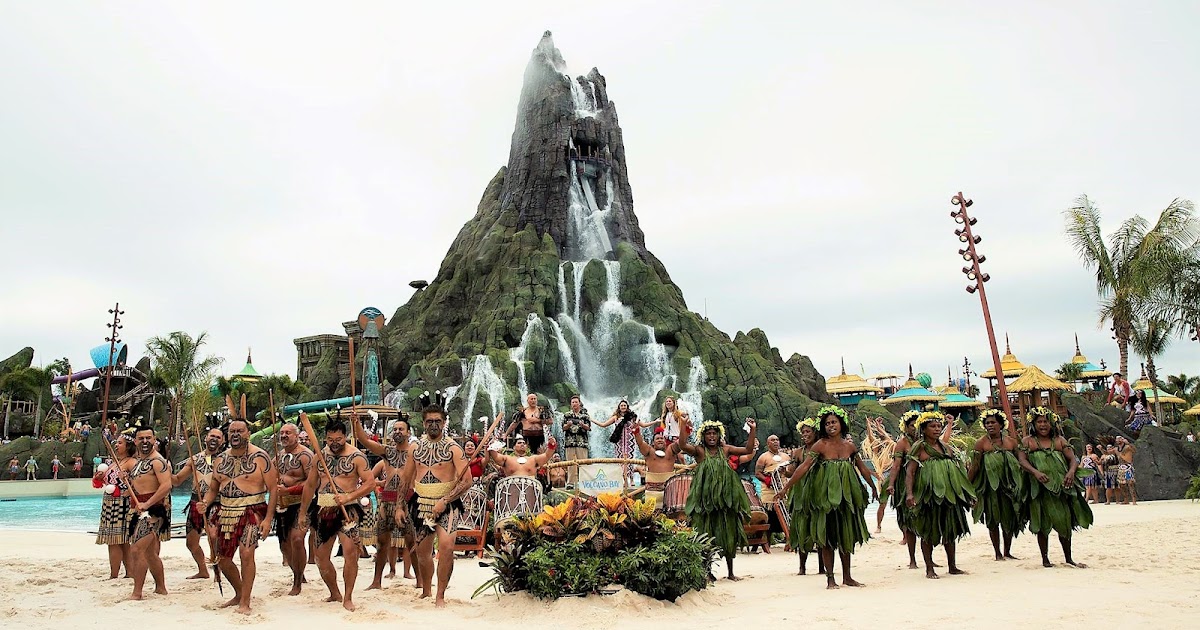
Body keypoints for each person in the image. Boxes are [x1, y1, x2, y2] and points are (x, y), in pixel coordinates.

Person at [782, 407, 876, 588]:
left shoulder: (849, 446)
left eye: (834, 422)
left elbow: (861, 468)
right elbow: (804, 467)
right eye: (827, 423)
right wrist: (787, 487)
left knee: (845, 536)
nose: (831, 425)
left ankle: (847, 577)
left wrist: (872, 486)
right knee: (827, 537)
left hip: (846, 497)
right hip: (824, 498)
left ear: (841, 424)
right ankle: (831, 578)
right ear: (822, 427)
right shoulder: (820, 445)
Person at [198, 418, 276, 614]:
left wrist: (268, 519)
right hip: (225, 511)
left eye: (240, 431)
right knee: (222, 559)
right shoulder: (221, 459)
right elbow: (213, 488)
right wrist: (205, 503)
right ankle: (239, 593)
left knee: (247, 554)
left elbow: (273, 489)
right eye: (232, 431)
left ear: (248, 433)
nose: (235, 435)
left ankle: (246, 602)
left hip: (253, 510)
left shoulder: (260, 457)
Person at [398, 405, 473, 607]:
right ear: (423, 423)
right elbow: (405, 480)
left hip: (448, 504)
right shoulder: (415, 448)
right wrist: (399, 507)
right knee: (422, 553)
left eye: (437, 421)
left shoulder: (453, 449)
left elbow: (467, 481)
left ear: (444, 423)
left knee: (447, 548)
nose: (433, 425)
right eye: (429, 421)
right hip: (421, 504)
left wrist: (445, 500)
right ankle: (426, 590)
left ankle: (440, 595)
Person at [299, 418, 373, 611]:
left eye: (338, 439)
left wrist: (349, 496)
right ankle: (334, 592)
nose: (334, 443)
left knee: (350, 553)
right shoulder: (319, 457)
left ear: (345, 437)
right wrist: (302, 512)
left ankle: (348, 597)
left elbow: (370, 484)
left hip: (348, 510)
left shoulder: (357, 457)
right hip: (323, 509)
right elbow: (309, 486)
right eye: (330, 439)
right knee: (320, 558)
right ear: (325, 438)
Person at [676, 417, 757, 581]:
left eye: (714, 433)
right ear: (703, 436)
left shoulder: (726, 450)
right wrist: (683, 426)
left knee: (728, 533)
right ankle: (707, 572)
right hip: (705, 503)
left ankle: (731, 572)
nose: (711, 436)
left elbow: (748, 450)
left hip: (725, 501)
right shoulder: (699, 451)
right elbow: (683, 445)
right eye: (708, 434)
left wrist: (752, 430)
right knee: (706, 533)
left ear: (719, 436)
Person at [1016, 407, 1092, 568]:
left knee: (1064, 521)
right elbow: (1022, 460)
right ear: (1033, 424)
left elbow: (1073, 459)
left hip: (1062, 488)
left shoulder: (1060, 441)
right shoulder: (1028, 441)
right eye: (1039, 422)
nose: (1043, 425)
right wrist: (1035, 472)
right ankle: (1045, 558)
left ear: (1052, 423)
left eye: (1046, 421)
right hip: (1040, 489)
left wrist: (1071, 473)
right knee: (1042, 523)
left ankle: (1068, 558)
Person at [905, 411, 974, 580]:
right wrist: (909, 494)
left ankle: (952, 566)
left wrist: (966, 493)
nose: (937, 429)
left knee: (949, 529)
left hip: (949, 495)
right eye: (932, 426)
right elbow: (910, 471)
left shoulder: (945, 447)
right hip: (928, 495)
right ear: (923, 428)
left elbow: (957, 471)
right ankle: (929, 568)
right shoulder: (919, 447)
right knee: (928, 530)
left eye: (938, 426)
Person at [352, 415, 416, 591]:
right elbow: (364, 440)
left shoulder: (415, 452)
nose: (397, 432)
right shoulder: (387, 452)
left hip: (407, 501)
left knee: (411, 542)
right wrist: (356, 423)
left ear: (408, 432)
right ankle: (376, 581)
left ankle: (421, 581)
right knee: (381, 543)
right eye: (394, 429)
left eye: (400, 429)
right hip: (386, 500)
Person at [966, 409, 1026, 561]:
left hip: (1009, 487)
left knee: (1009, 518)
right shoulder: (981, 443)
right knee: (993, 520)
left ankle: (1007, 551)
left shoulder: (1011, 442)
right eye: (987, 423)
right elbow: (975, 466)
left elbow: (1021, 461)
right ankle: (997, 552)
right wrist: (967, 487)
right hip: (989, 488)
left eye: (993, 422)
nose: (990, 425)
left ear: (1001, 424)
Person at [171, 426, 226, 580]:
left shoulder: (225, 459)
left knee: (213, 536)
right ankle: (203, 570)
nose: (214, 439)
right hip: (196, 501)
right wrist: (165, 470)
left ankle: (218, 571)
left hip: (217, 502)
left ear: (222, 441)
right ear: (206, 438)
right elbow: (177, 480)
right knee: (191, 542)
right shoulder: (195, 459)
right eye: (211, 436)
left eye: (218, 437)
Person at [126, 425, 172, 600]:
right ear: (136, 441)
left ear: (154, 439)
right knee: (149, 553)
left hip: (154, 511)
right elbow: (139, 485)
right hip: (140, 509)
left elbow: (166, 485)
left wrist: (147, 504)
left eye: (148, 438)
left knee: (137, 549)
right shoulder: (139, 462)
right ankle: (161, 588)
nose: (145, 441)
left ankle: (137, 592)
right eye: (141, 438)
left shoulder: (157, 461)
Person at [271, 422, 314, 595]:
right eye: (282, 433)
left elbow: (313, 483)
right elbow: (267, 476)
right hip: (282, 505)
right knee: (284, 545)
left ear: (296, 436)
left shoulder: (306, 455)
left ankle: (297, 582)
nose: (284, 436)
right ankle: (297, 572)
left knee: (297, 539)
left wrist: (289, 489)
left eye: (288, 433)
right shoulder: (278, 455)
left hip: (302, 504)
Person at [783, 417, 822, 575]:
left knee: (819, 529)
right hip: (801, 494)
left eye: (808, 431)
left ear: (815, 432)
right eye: (803, 432)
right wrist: (784, 472)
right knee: (802, 529)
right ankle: (802, 567)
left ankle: (822, 567)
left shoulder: (822, 448)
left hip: (818, 491)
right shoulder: (798, 452)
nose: (805, 434)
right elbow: (792, 471)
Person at [490, 433, 557, 521]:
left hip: (531, 497)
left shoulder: (533, 459)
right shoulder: (507, 459)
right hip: (510, 498)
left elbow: (547, 455)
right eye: (519, 443)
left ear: (527, 447)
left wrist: (551, 444)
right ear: (514, 447)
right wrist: (492, 444)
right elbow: (495, 456)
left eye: (524, 443)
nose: (522, 444)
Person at [95, 435, 134, 579]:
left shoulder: (131, 462)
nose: (116, 445)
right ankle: (127, 572)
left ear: (128, 446)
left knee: (117, 539)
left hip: (121, 503)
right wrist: (100, 477)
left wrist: (128, 489)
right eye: (116, 443)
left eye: (120, 443)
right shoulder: (113, 463)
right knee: (119, 539)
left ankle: (115, 575)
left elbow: (140, 482)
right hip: (110, 501)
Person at [886, 410, 921, 568]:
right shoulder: (902, 443)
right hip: (904, 484)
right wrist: (891, 484)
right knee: (909, 521)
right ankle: (912, 559)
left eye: (917, 425)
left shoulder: (924, 441)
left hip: (922, 482)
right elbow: (896, 465)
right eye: (912, 426)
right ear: (906, 427)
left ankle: (929, 558)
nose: (914, 428)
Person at [754, 433, 791, 538]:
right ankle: (767, 541)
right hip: (769, 491)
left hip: (783, 489)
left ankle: (788, 538)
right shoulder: (763, 457)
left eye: (777, 440)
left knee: (786, 514)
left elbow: (791, 473)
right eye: (773, 440)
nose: (776, 442)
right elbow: (757, 473)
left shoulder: (785, 456)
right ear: (767, 443)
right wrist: (767, 480)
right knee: (770, 516)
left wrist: (785, 473)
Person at [594, 400, 640, 484]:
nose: (623, 407)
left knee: (630, 460)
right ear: (619, 407)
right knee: (621, 460)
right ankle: (624, 480)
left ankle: (632, 479)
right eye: (621, 405)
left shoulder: (632, 416)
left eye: (624, 405)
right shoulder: (616, 417)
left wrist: (655, 422)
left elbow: (642, 424)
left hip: (630, 441)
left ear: (627, 407)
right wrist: (592, 420)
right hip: (619, 442)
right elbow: (603, 425)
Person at [634, 426, 678, 506]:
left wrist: (685, 428)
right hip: (652, 495)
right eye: (657, 439)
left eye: (662, 438)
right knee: (652, 517)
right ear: (653, 443)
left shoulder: (670, 451)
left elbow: (681, 443)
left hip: (670, 495)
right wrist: (636, 431)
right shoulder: (649, 452)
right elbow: (640, 443)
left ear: (665, 442)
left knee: (671, 517)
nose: (660, 440)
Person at [561, 395, 591, 487]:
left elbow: (589, 428)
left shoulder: (585, 415)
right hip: (570, 443)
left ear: (579, 403)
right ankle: (571, 483)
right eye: (572, 402)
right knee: (570, 463)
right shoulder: (567, 415)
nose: (574, 404)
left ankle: (584, 482)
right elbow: (563, 428)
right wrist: (568, 425)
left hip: (582, 442)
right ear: (571, 404)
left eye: (576, 402)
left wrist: (582, 425)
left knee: (583, 463)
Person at [1115, 436, 1138, 505]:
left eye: (1120, 438)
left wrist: (1128, 443)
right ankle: (1126, 500)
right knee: (1121, 485)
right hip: (1121, 467)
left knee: (1130, 483)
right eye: (1117, 439)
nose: (1118, 440)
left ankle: (1134, 500)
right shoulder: (1116, 449)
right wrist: (1101, 449)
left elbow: (1134, 450)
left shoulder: (1127, 447)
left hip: (1128, 467)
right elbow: (1107, 453)